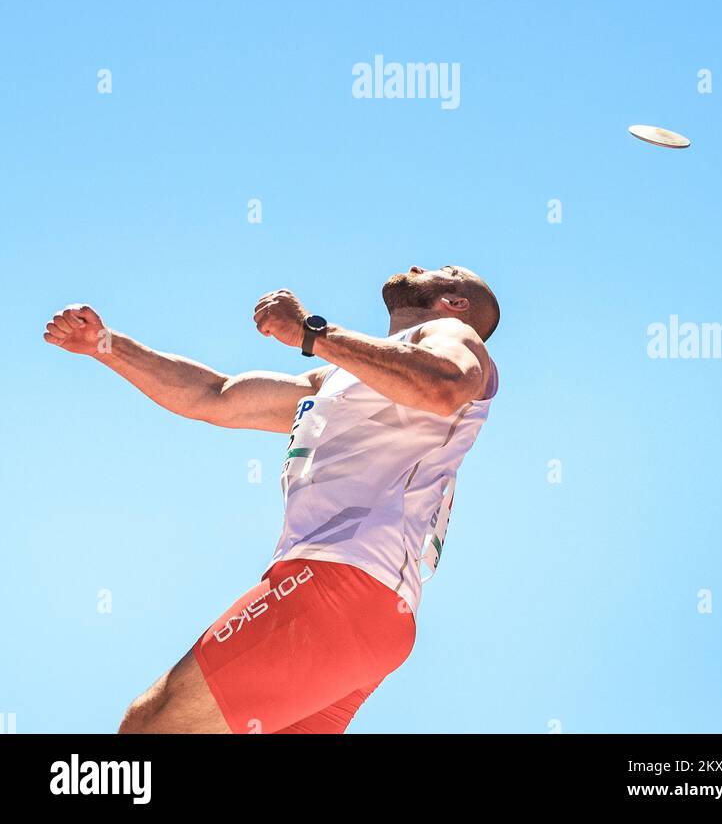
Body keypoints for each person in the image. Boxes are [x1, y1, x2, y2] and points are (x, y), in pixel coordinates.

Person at [43, 264, 500, 734]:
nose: (418, 267)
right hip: (371, 618)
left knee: (151, 725)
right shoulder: (339, 380)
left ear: (456, 302)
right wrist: (107, 344)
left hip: (340, 583)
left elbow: (447, 384)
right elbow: (214, 395)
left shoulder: (449, 334)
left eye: (443, 270)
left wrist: (312, 331)